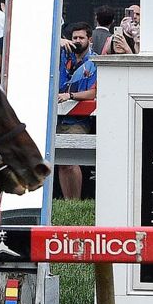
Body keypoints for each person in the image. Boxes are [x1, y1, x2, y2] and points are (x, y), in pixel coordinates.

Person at [56, 22, 96, 200]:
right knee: (62, 162)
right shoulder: (65, 57)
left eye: (81, 38)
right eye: (74, 38)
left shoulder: (94, 61)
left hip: (80, 119)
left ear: (90, 39)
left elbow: (94, 92)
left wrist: (70, 95)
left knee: (71, 160)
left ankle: (75, 201)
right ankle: (67, 201)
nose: (77, 41)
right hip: (58, 118)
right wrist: (58, 42)